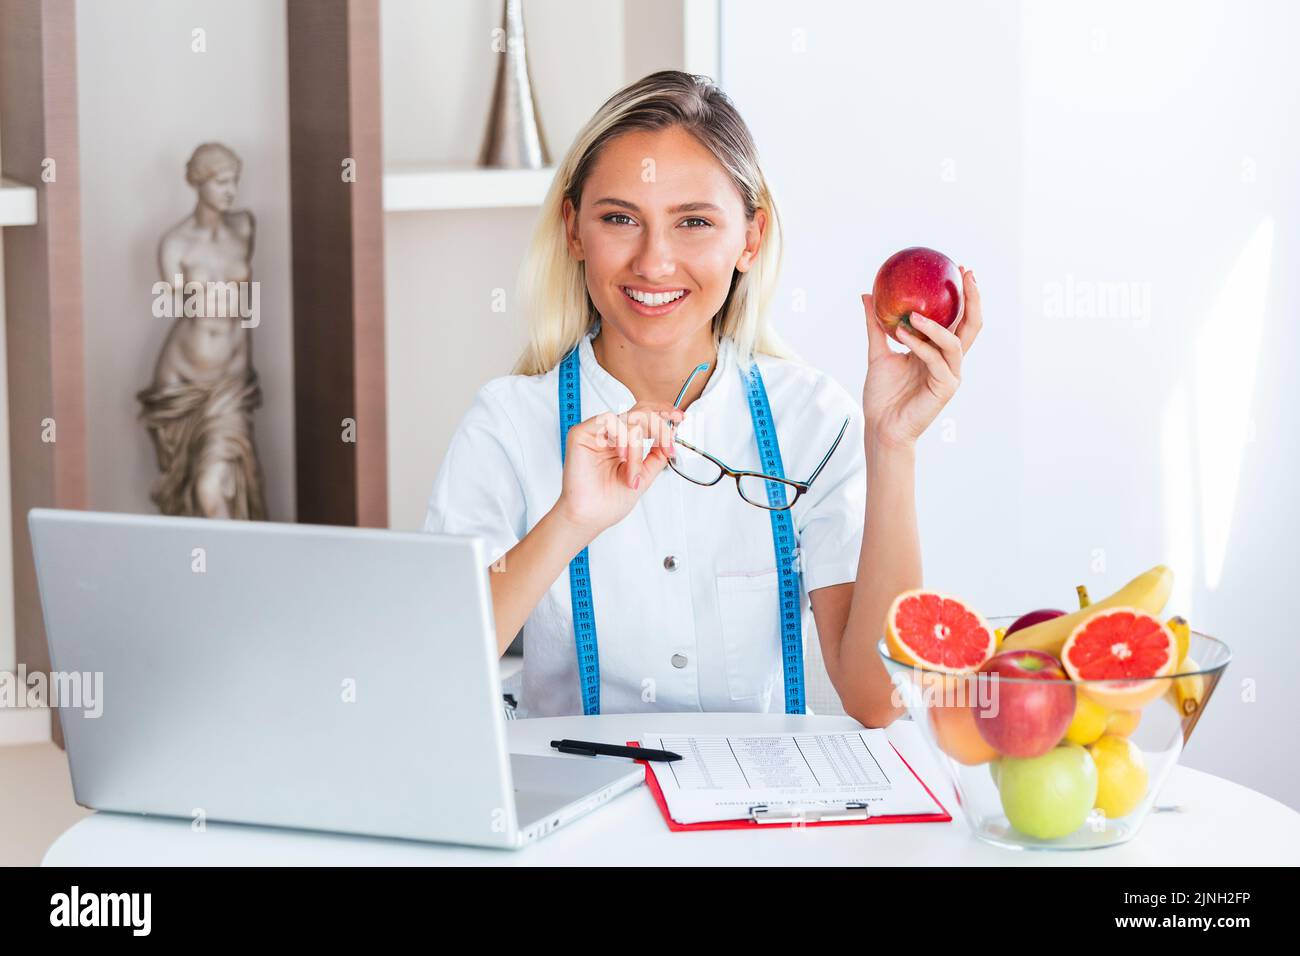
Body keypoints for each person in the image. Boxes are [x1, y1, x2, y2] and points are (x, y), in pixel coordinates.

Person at [424, 71, 982, 723]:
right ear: (574, 230)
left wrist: (893, 445)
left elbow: (877, 698)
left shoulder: (813, 421)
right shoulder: (508, 425)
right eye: (619, 218)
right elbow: (438, 676)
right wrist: (569, 521)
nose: (654, 262)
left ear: (750, 238)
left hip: (764, 817)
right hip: (574, 811)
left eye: (693, 222)